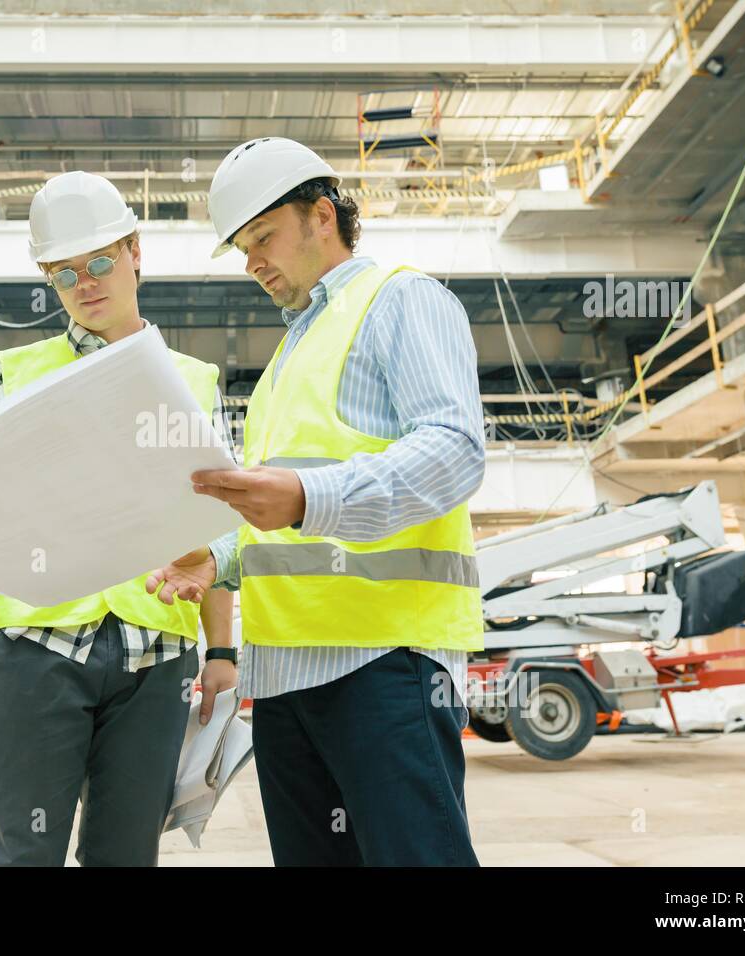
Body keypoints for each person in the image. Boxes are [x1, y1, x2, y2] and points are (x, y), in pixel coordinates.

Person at [147, 137, 485, 866]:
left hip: (383, 663)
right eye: (242, 247)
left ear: (322, 215)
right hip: (285, 677)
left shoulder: (401, 299)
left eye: (263, 238)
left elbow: (454, 450)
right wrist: (219, 558)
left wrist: (306, 496)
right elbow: (286, 513)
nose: (252, 263)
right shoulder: (286, 360)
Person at [0, 171, 237, 866]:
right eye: (62, 274)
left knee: (125, 855)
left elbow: (217, 530)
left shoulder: (195, 380)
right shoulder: (18, 372)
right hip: (37, 647)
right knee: (19, 852)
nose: (85, 284)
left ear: (134, 251)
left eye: (98, 263)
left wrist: (223, 653)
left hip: (157, 654)